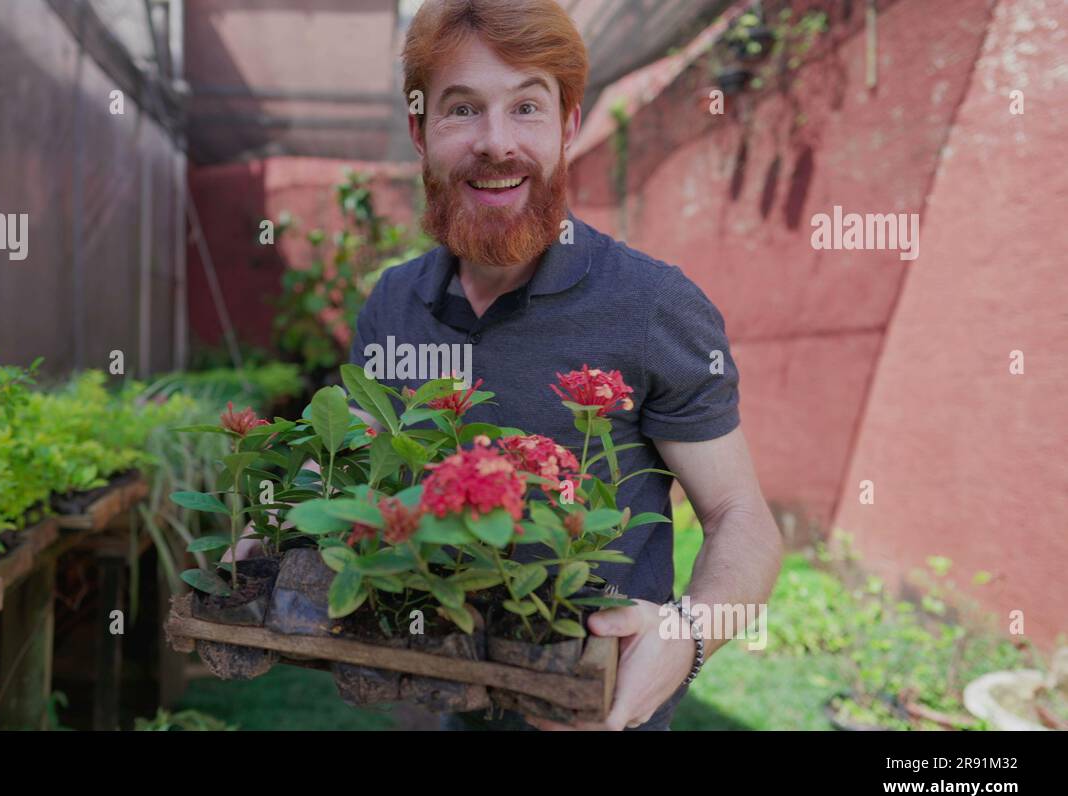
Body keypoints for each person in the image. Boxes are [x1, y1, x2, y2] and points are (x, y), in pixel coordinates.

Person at [234, 0, 784, 731]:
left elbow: (743, 519)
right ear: (419, 131)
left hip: (588, 712)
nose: (497, 144)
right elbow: (357, 454)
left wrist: (688, 639)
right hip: (437, 695)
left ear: (566, 125)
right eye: (462, 110)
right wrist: (282, 521)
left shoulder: (653, 307)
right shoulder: (396, 301)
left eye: (526, 106)